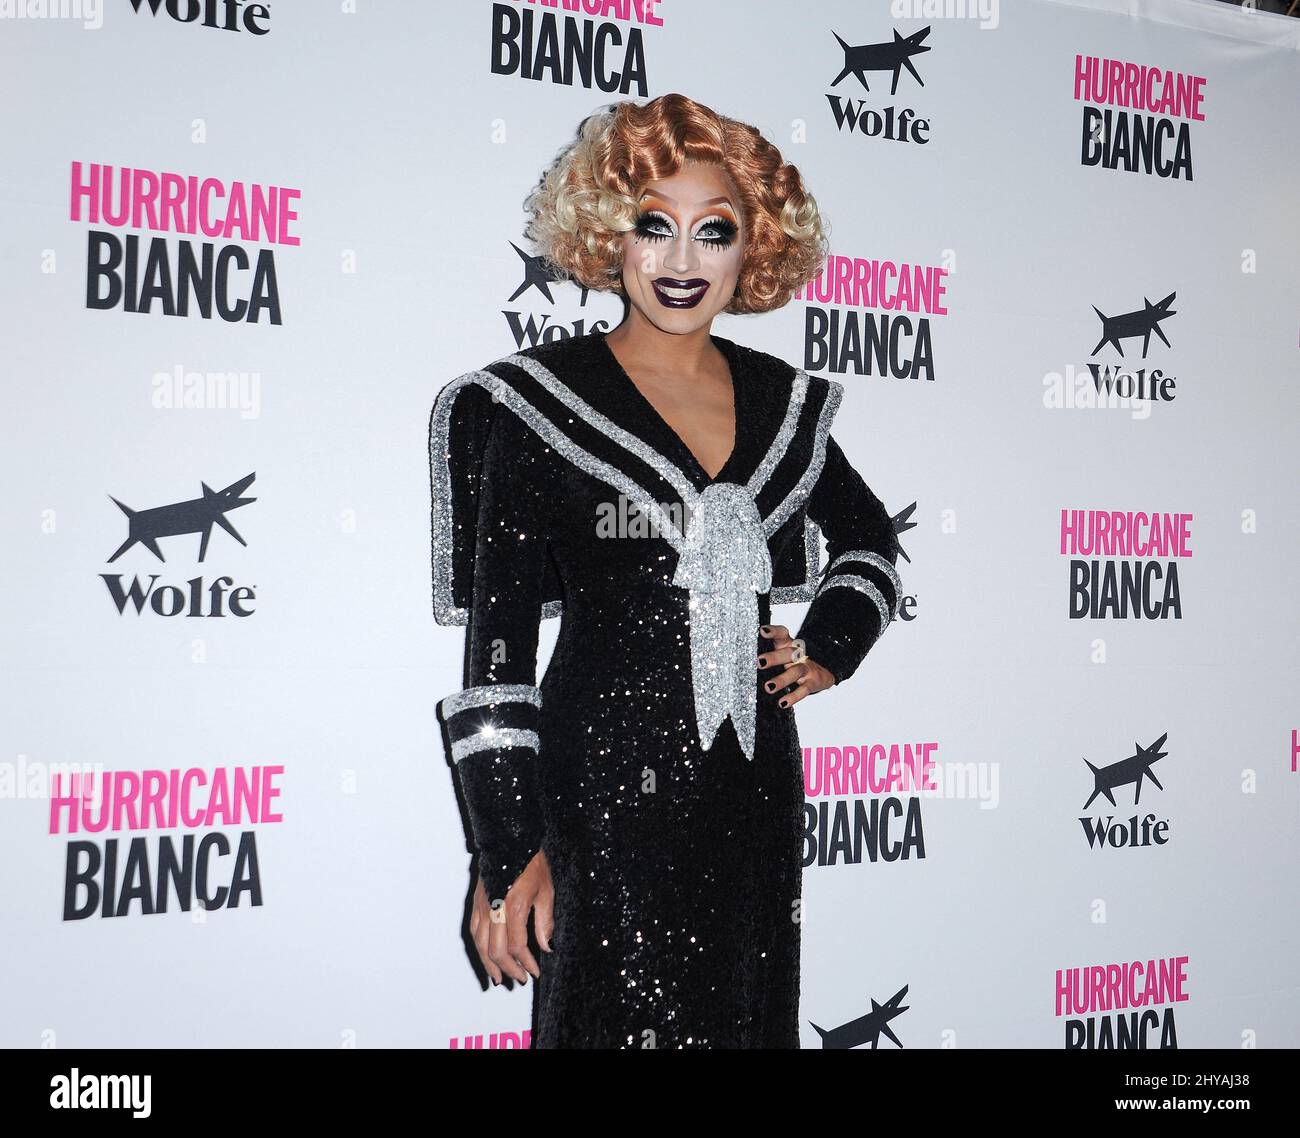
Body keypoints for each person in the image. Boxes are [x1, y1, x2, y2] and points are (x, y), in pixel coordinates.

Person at [429, 92, 903, 1048]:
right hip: (597, 783)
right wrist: (510, 844)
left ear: (753, 248)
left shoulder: (783, 404)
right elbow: (499, 656)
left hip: (754, 780)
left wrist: (828, 648)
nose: (683, 261)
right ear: (611, 233)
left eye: (714, 232)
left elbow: (871, 543)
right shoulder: (535, 405)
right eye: (656, 227)